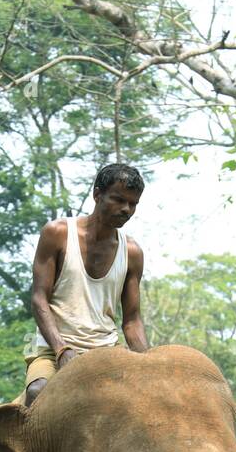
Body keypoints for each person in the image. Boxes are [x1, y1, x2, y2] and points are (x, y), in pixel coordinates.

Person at [24, 162, 150, 407]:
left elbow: (132, 321)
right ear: (97, 194)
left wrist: (148, 365)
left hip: (107, 351)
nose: (126, 209)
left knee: (142, 405)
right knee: (38, 392)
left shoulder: (132, 252)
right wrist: (62, 350)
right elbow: (39, 299)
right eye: (118, 199)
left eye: (133, 204)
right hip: (53, 350)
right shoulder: (57, 233)